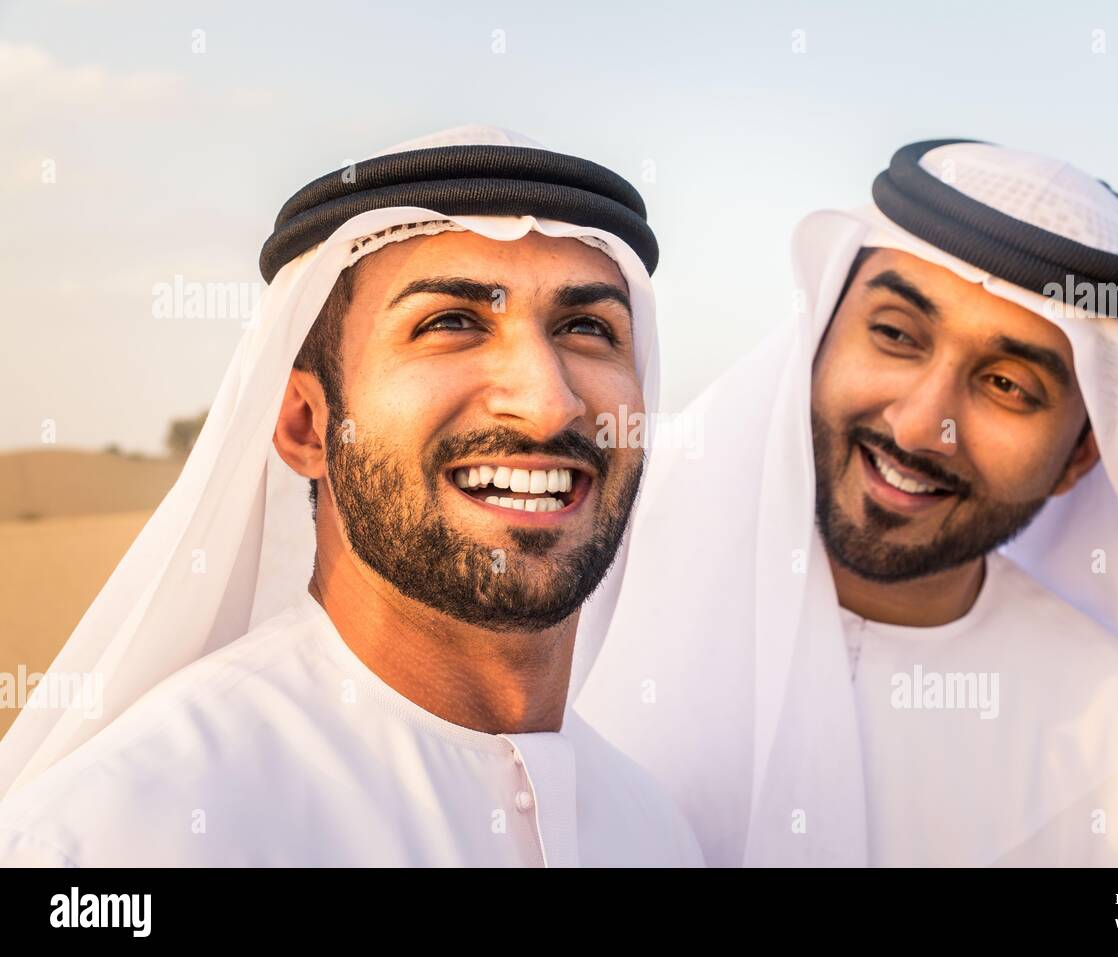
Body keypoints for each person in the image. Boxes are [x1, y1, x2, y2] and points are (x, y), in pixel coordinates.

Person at [576, 138, 1118, 866]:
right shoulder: (574, 603)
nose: (923, 424)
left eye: (1009, 385)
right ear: (818, 339)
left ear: (1079, 456)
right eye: (895, 335)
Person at [0, 126, 702, 867]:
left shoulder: (655, 830)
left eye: (588, 328)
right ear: (307, 425)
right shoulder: (116, 838)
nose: (548, 403)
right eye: (451, 323)